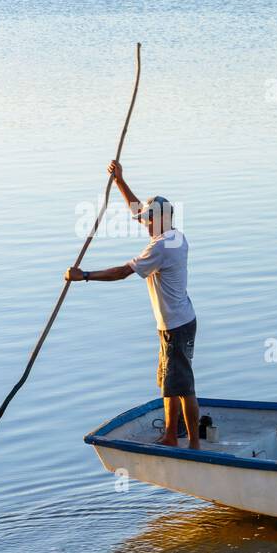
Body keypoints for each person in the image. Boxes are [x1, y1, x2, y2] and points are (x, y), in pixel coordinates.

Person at [65, 160, 199, 449]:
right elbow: (137, 209)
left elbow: (122, 272)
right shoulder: (174, 234)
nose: (144, 222)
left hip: (176, 324)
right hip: (175, 322)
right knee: (169, 384)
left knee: (183, 387)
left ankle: (194, 446)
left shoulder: (162, 246)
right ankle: (171, 435)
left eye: (149, 219)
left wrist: (84, 275)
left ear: (160, 220)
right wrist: (120, 181)